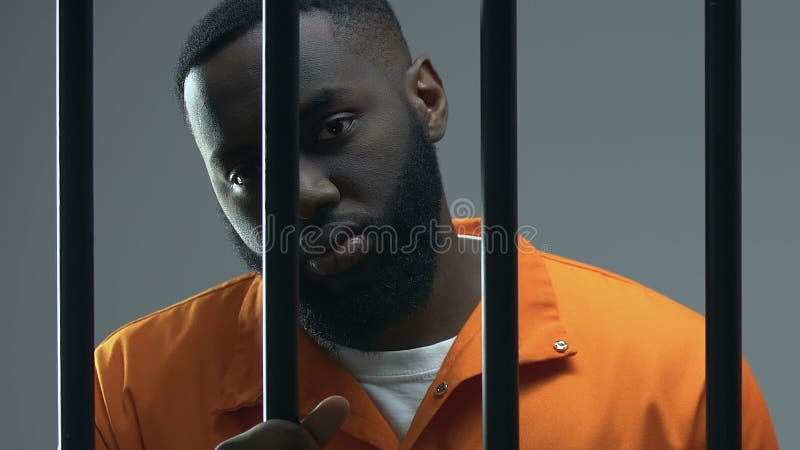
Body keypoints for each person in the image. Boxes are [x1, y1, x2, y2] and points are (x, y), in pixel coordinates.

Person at [93, 0, 780, 449]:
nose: (303, 193)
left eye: (332, 129)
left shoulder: (677, 373)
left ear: (426, 99)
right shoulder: (130, 387)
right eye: (247, 171)